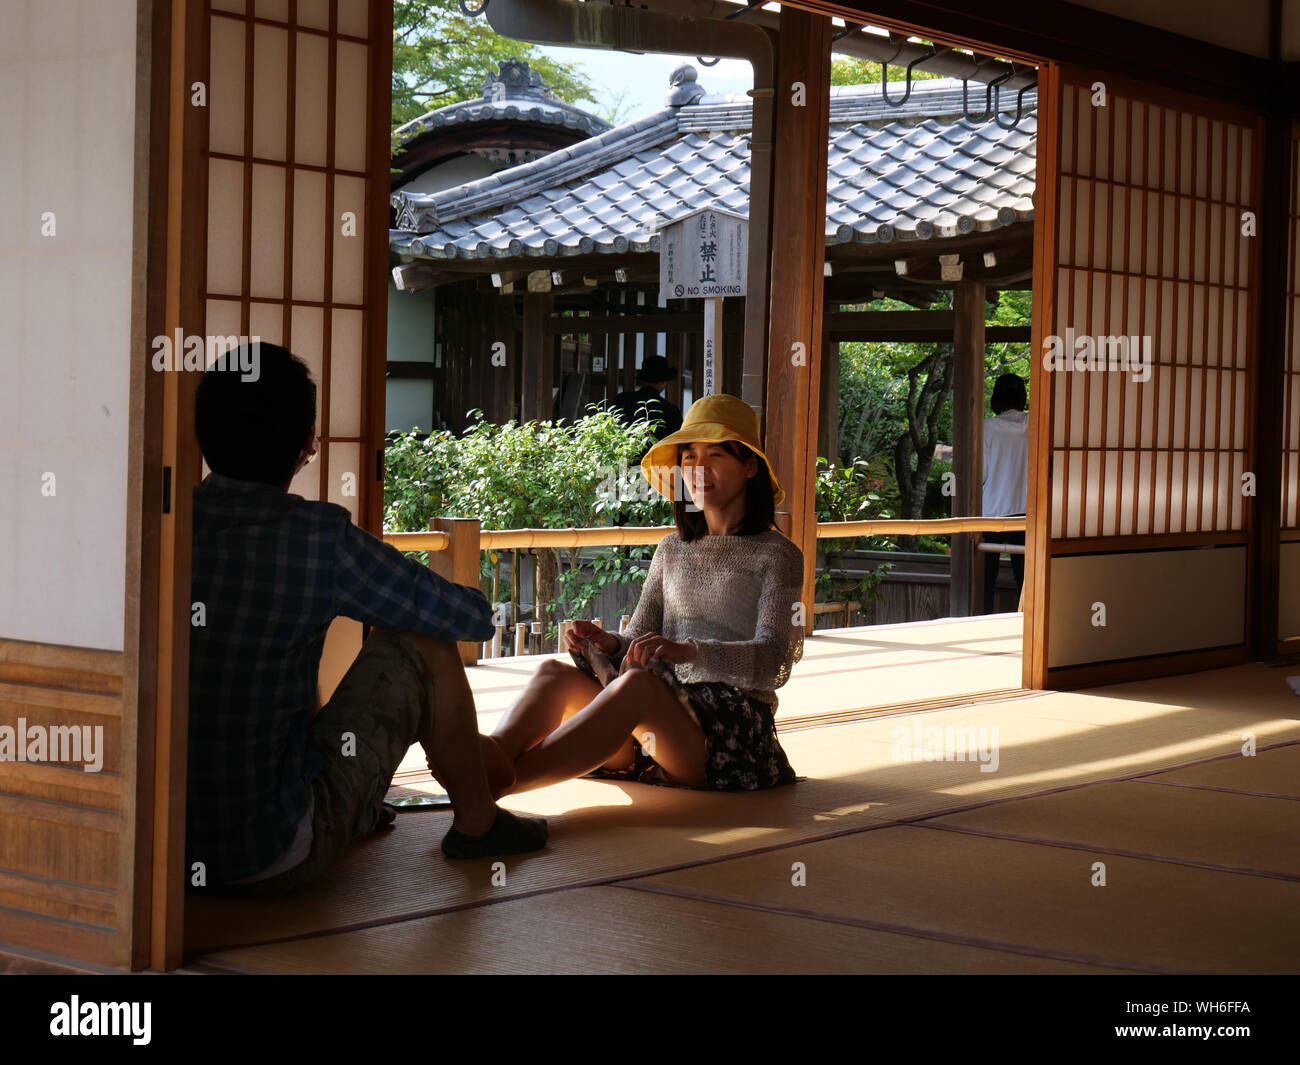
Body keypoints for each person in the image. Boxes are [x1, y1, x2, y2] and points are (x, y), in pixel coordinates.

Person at [187, 342, 546, 896]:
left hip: (161, 848)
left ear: (202, 435)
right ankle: (478, 823)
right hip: (275, 846)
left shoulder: (164, 528)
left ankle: (363, 807)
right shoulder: (317, 541)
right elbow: (465, 619)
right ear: (306, 445)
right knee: (423, 638)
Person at [484, 393, 803, 796]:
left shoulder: (779, 555)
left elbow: (775, 660)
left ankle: (495, 787)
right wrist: (610, 642)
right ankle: (490, 757)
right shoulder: (672, 549)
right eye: (689, 457)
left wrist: (689, 651)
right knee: (554, 674)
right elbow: (640, 637)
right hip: (647, 729)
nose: (699, 468)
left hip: (727, 737)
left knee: (636, 688)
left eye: (716, 455)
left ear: (749, 466)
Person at [981, 372, 1028, 614]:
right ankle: (1027, 622)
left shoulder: (987, 428)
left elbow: (979, 474)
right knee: (1026, 576)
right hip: (1028, 511)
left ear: (996, 397)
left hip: (993, 510)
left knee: (985, 574)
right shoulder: (1036, 423)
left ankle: (982, 618)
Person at [611, 355, 684, 456]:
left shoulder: (622, 400)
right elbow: (677, 444)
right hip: (657, 465)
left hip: (624, 461)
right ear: (663, 382)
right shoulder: (670, 410)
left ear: (642, 379)